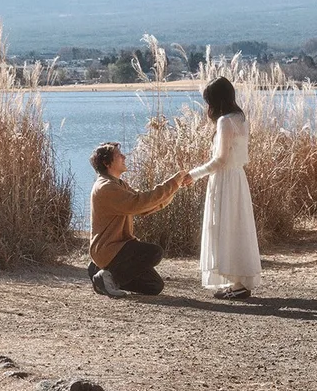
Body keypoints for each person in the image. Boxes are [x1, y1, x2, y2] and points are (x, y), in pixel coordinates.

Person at [189, 76, 261, 300]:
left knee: (223, 227)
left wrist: (193, 174)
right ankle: (238, 282)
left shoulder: (224, 122)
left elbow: (220, 159)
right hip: (238, 178)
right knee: (237, 227)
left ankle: (237, 284)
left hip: (224, 179)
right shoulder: (240, 118)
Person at [88, 142, 191, 297]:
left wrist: (175, 187)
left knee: (154, 286)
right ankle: (108, 278)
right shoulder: (106, 187)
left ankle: (101, 272)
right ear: (106, 162)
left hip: (117, 250)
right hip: (109, 249)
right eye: (118, 155)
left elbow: (147, 207)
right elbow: (139, 203)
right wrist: (173, 182)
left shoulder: (118, 184)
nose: (124, 157)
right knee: (153, 252)